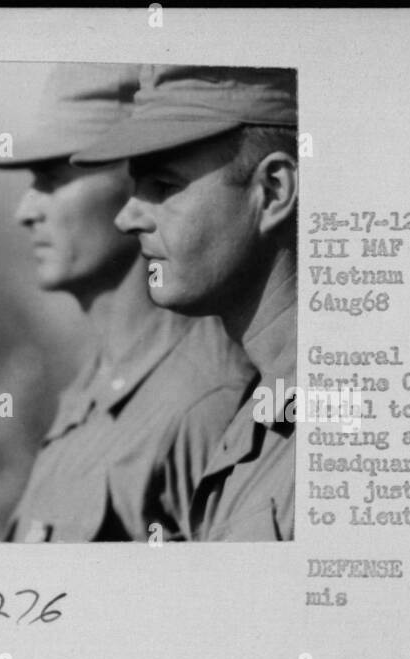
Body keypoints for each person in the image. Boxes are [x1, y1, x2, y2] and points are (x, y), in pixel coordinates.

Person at [0, 64, 254, 542]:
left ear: (135, 179)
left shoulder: (202, 401)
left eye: (51, 178)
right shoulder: (87, 392)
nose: (24, 210)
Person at [72, 65, 298, 541]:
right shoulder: (256, 416)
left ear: (273, 192)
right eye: (135, 188)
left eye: (165, 186)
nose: (127, 217)